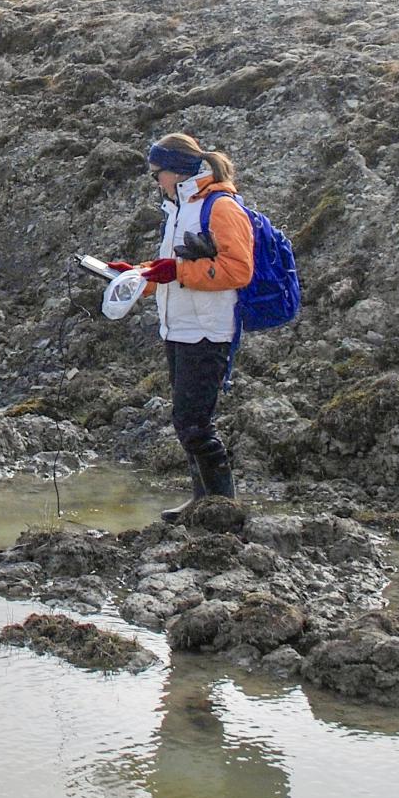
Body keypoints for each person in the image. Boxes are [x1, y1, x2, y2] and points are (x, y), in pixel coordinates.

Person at [112, 132, 254, 521]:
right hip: (179, 328)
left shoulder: (220, 207)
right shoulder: (178, 208)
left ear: (176, 172)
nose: (154, 181)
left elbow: (239, 270)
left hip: (208, 331)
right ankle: (202, 502)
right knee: (186, 420)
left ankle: (225, 511)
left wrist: (174, 270)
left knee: (194, 424)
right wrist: (135, 277)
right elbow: (174, 272)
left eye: (157, 173)